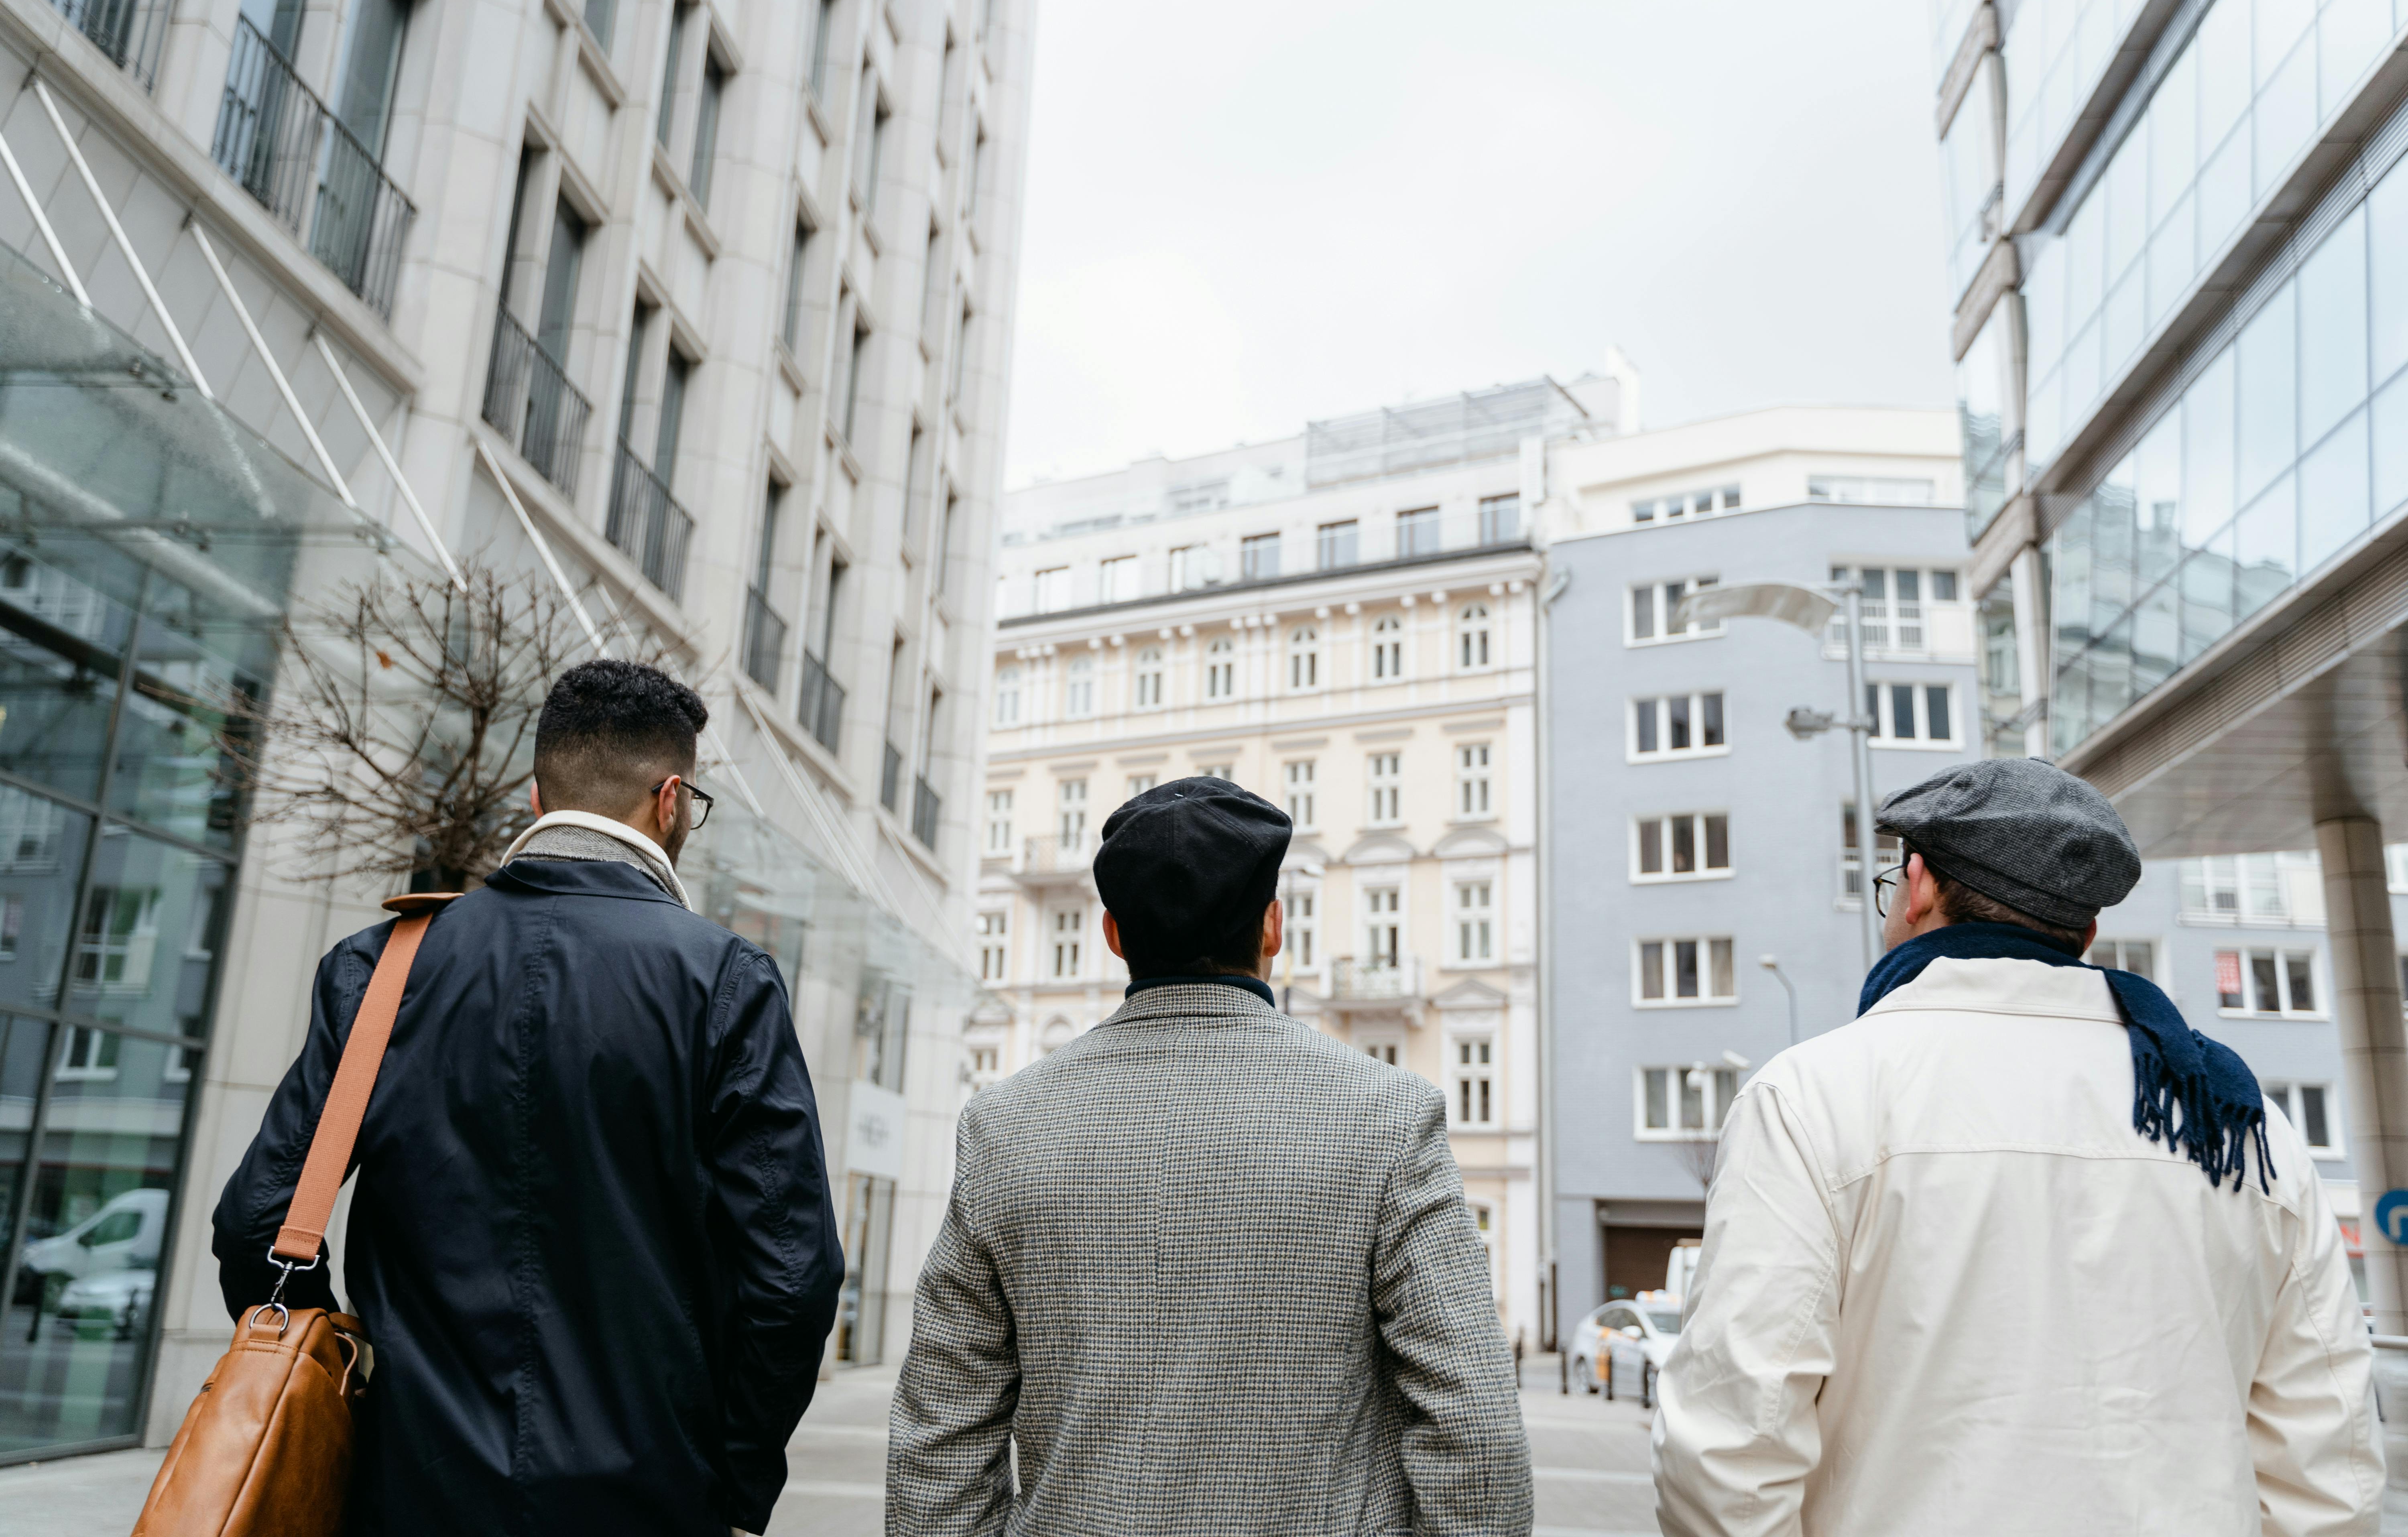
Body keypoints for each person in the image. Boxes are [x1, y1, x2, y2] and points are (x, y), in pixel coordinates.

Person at [1653, 757, 2383, 1536]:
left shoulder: (1814, 1097)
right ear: (2088, 929)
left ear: (1922, 885)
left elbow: (1731, 1450)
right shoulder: (2243, 1125)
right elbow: (2328, 1466)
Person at [214, 660, 844, 1536]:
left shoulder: (382, 966)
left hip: (406, 1491)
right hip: (648, 1496)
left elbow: (257, 1222)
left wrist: (359, 1381)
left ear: (535, 797)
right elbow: (791, 1278)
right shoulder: (725, 982)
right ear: (670, 800)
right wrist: (734, 1481)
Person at [886, 777, 1532, 1535]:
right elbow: (1478, 1435)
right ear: (1274, 927)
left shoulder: (1004, 1127)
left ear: (1113, 934)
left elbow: (939, 1437)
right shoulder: (1387, 1117)